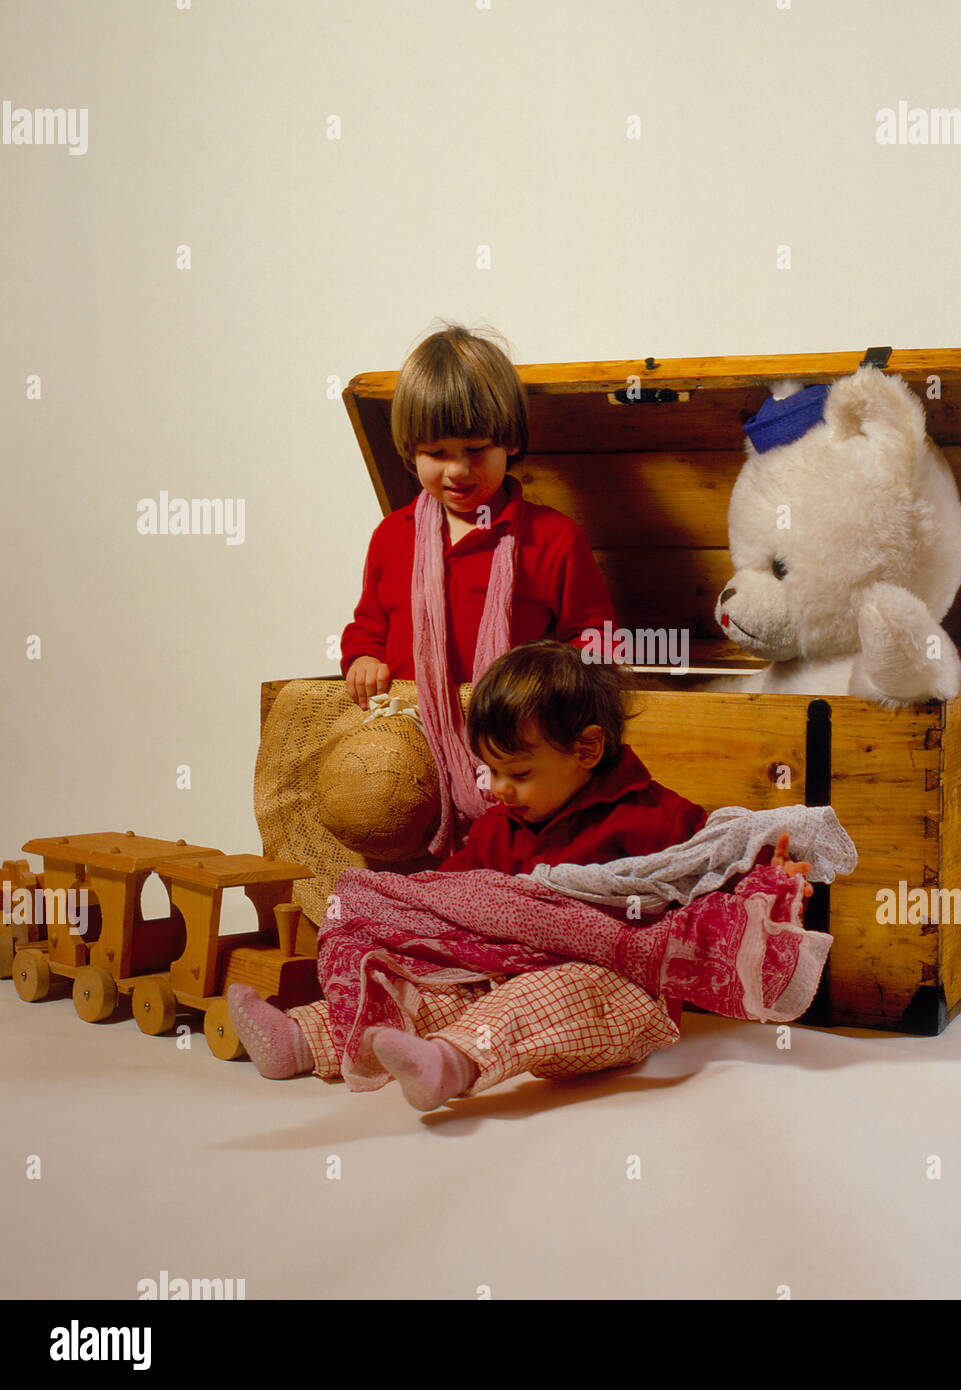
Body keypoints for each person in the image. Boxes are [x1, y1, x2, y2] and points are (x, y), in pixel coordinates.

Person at [230, 642, 813, 1113]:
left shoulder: (654, 817)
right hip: (502, 970)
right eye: (491, 771)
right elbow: (456, 898)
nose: (500, 789)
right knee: (437, 991)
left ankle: (451, 1066)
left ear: (587, 749)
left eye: (518, 772)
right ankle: (303, 1040)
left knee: (543, 996)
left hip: (619, 992)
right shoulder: (499, 828)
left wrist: (775, 882)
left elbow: (711, 873)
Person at [340, 321, 617, 858]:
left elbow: (596, 640)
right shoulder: (393, 537)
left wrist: (552, 690)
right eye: (436, 453)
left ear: (510, 440)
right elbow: (369, 622)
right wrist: (363, 657)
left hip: (519, 756)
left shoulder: (551, 538)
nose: (458, 471)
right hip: (412, 751)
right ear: (410, 452)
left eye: (475, 448)